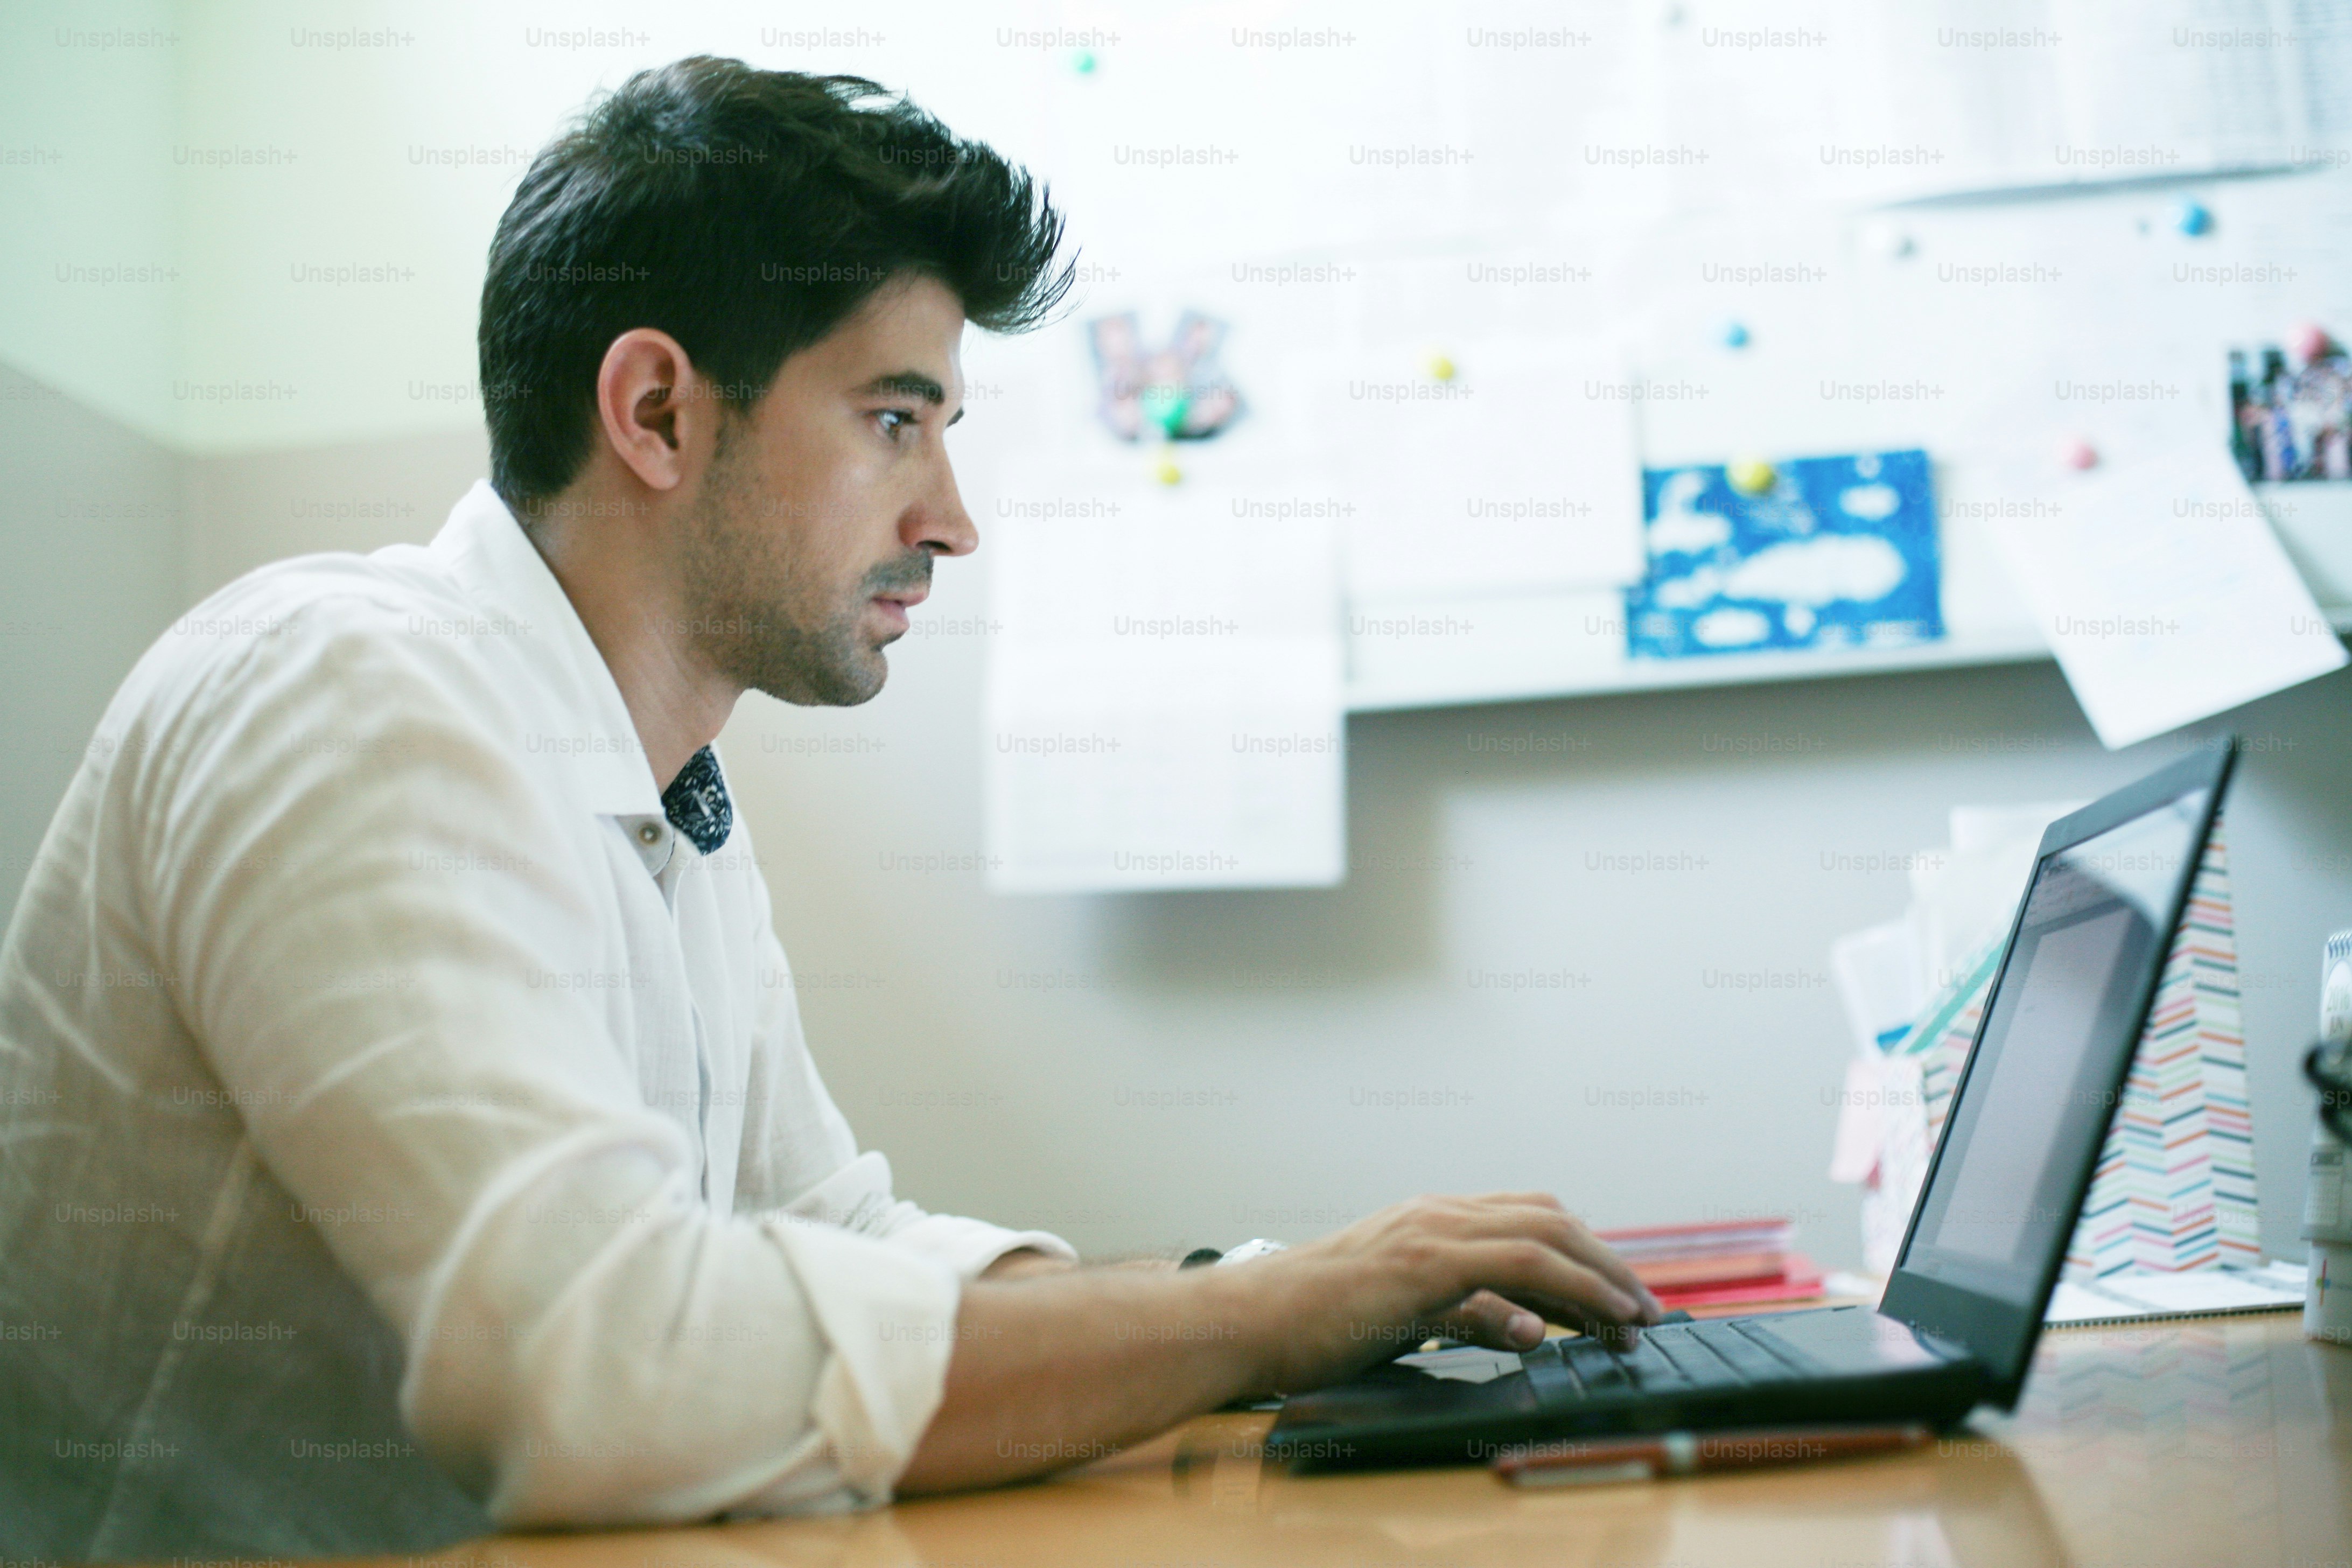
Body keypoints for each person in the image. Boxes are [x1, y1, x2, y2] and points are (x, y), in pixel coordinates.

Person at [0, 57, 1658, 1562]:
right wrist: (1274, 1318)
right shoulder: (344, 690)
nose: (951, 519)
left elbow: (833, 1234)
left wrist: (1257, 1295)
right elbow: (602, 1367)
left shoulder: (664, 803)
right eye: (893, 422)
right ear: (657, 412)